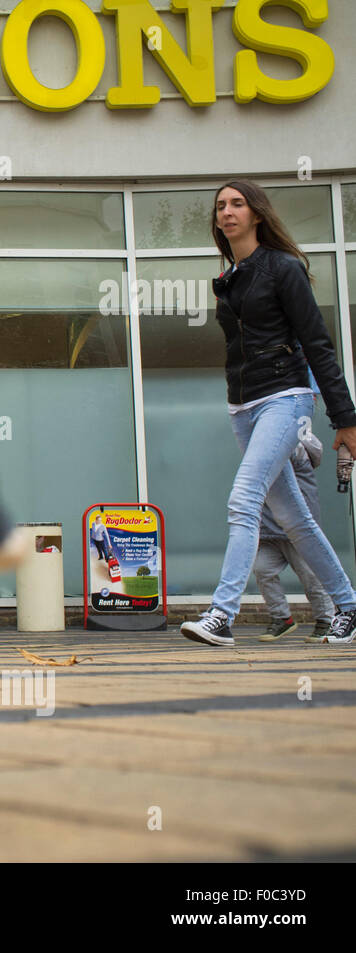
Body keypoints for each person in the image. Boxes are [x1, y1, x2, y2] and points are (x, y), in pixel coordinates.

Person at [180, 180, 356, 647]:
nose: (227, 211)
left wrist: (345, 418)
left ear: (257, 213)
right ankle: (351, 607)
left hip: (285, 398)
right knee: (295, 520)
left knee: (243, 500)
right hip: (243, 407)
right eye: (220, 205)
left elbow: (318, 344)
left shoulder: (283, 269)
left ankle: (222, 614)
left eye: (237, 203)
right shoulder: (229, 278)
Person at [254, 429, 334, 642]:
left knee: (311, 578)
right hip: (270, 532)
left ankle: (327, 621)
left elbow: (285, 446)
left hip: (298, 531)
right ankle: (282, 619)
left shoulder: (298, 453)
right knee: (262, 570)